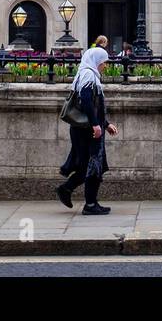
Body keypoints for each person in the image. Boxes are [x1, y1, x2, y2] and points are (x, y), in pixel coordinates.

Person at [56, 45, 117, 215]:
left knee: (86, 165)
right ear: (96, 61)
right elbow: (87, 101)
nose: (105, 66)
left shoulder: (87, 73)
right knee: (93, 164)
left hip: (83, 128)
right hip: (87, 130)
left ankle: (67, 190)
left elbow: (94, 107)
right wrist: (96, 125)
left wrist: (105, 124)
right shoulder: (89, 74)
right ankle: (90, 204)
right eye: (104, 62)